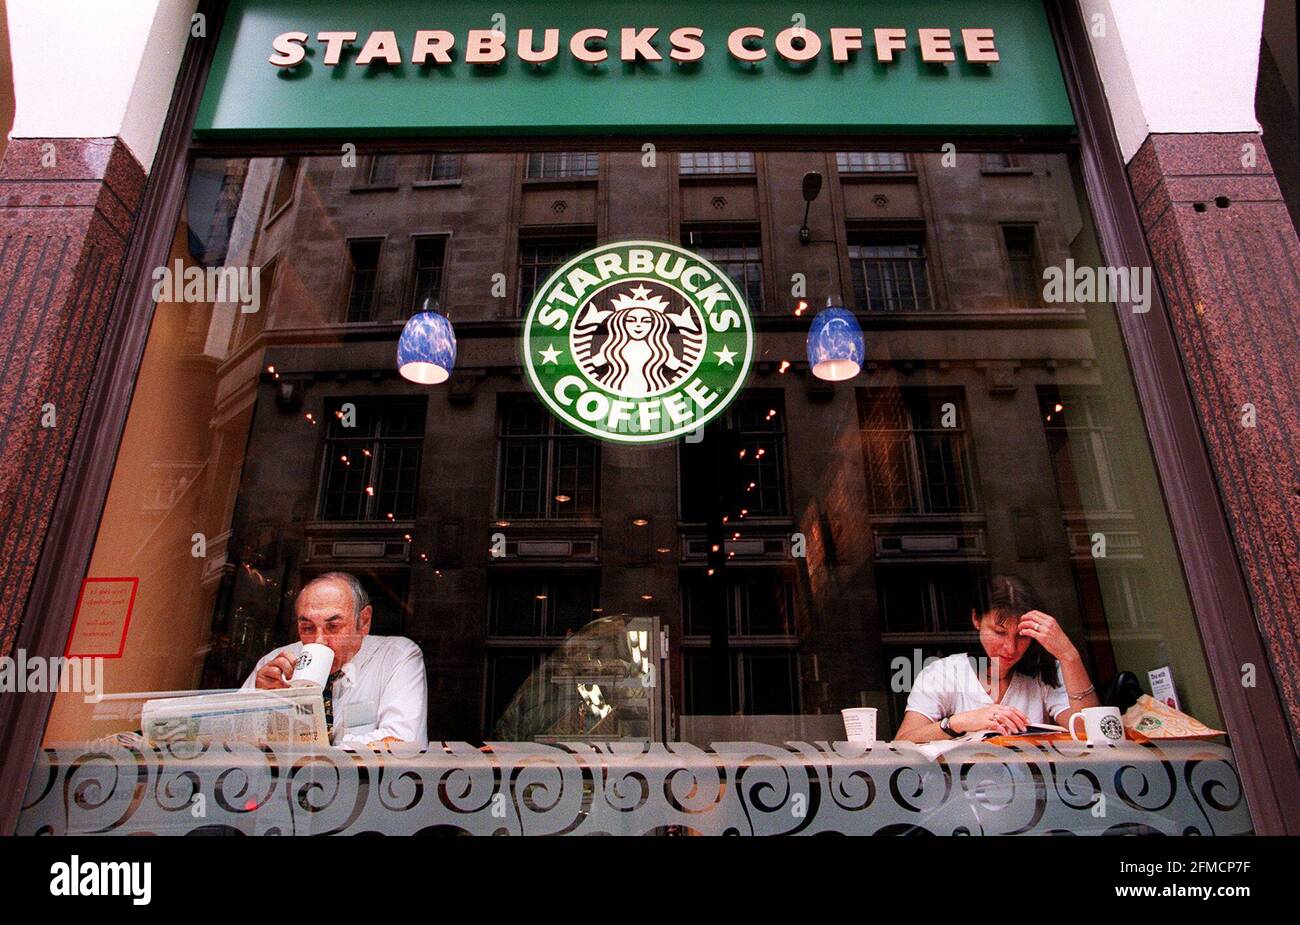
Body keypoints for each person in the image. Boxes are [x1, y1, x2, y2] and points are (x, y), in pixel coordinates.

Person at [894, 574, 1100, 743]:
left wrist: (1069, 656)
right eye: (999, 632)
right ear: (976, 619)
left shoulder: (1045, 672)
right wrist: (959, 722)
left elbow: (1093, 734)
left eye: (1021, 635)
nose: (1010, 648)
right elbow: (903, 743)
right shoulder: (944, 673)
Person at [241, 571, 427, 747]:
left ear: (364, 621)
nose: (319, 641)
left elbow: (402, 741)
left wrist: (315, 758)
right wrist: (261, 706)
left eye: (333, 627)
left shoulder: (396, 656)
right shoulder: (275, 663)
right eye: (307, 628)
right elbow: (230, 743)